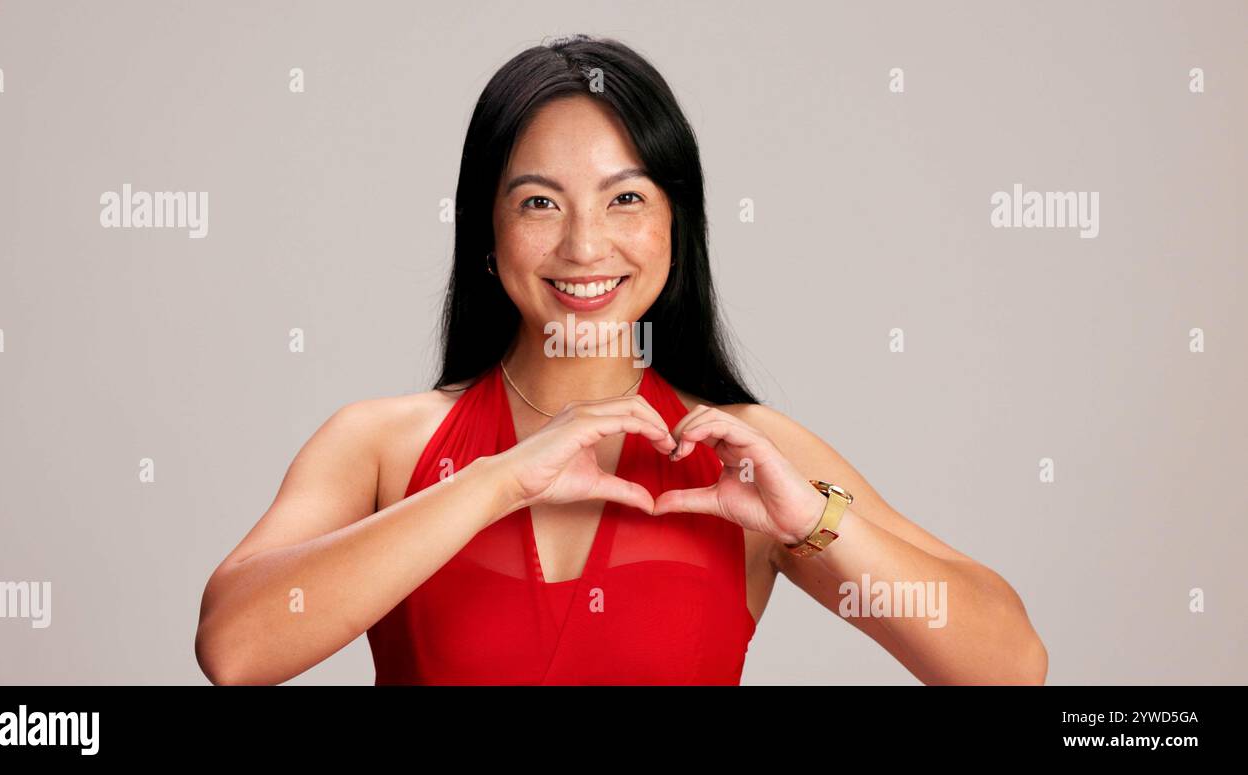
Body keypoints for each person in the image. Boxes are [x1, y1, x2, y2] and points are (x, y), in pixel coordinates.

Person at [194, 34, 1048, 685]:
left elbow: (1010, 665)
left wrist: (811, 526)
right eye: (538, 202)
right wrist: (496, 481)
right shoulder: (382, 444)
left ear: (678, 224)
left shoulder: (748, 455)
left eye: (626, 198)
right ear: (486, 233)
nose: (584, 243)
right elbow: (234, 648)